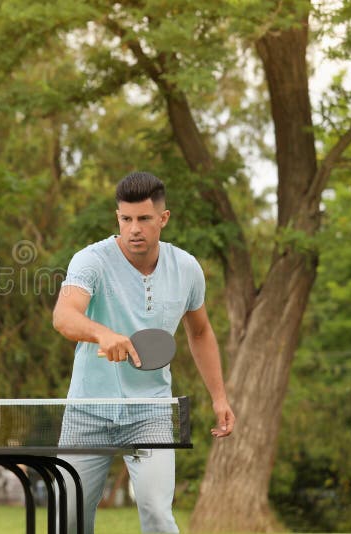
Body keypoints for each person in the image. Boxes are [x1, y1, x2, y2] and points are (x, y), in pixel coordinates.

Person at [52, 171, 235, 533]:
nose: (134, 228)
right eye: (126, 219)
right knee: (68, 518)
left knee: (155, 511)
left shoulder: (186, 268)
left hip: (150, 411)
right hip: (88, 410)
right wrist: (101, 333)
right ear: (117, 217)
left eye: (144, 219)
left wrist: (219, 397)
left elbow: (199, 332)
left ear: (163, 219)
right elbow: (64, 316)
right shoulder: (90, 261)